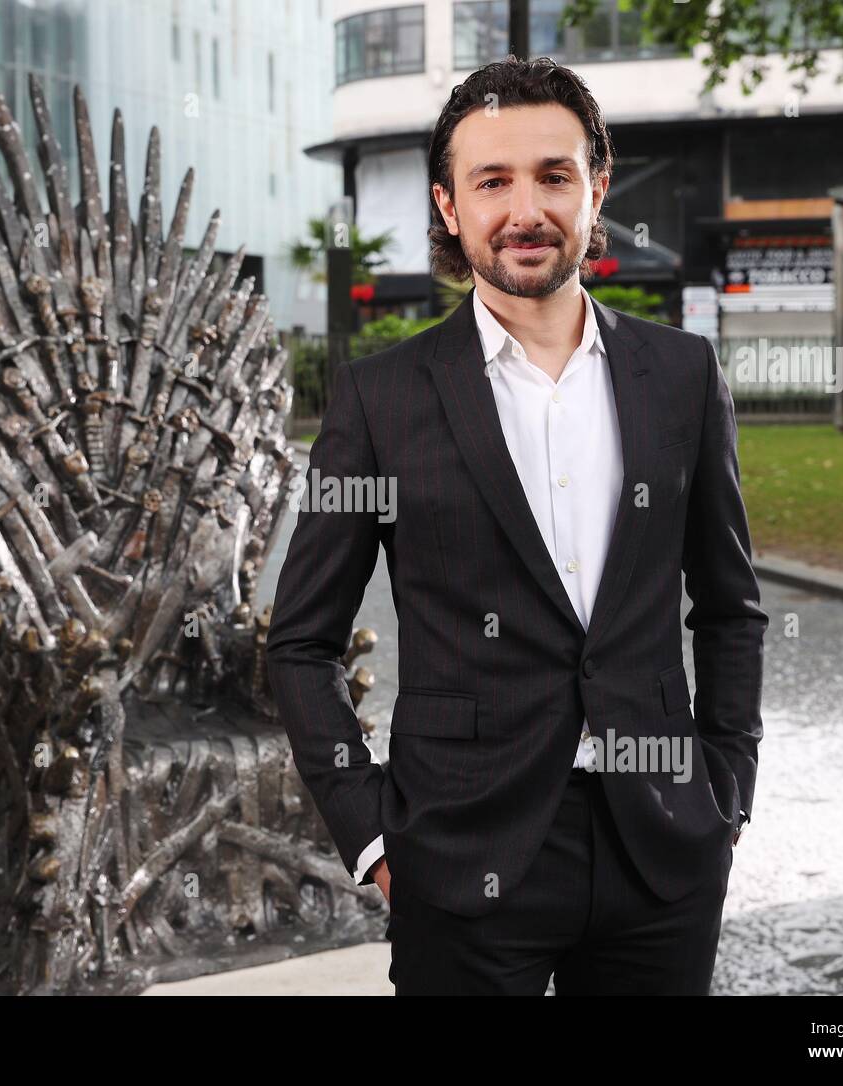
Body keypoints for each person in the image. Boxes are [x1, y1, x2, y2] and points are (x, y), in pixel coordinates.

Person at [266, 55, 767, 996]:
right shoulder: (380, 400)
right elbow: (300, 643)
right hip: (458, 857)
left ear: (597, 189)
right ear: (450, 206)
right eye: (491, 181)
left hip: (661, 852)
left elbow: (730, 607)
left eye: (553, 175)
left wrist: (726, 789)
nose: (524, 209)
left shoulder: (684, 376)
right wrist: (370, 832)